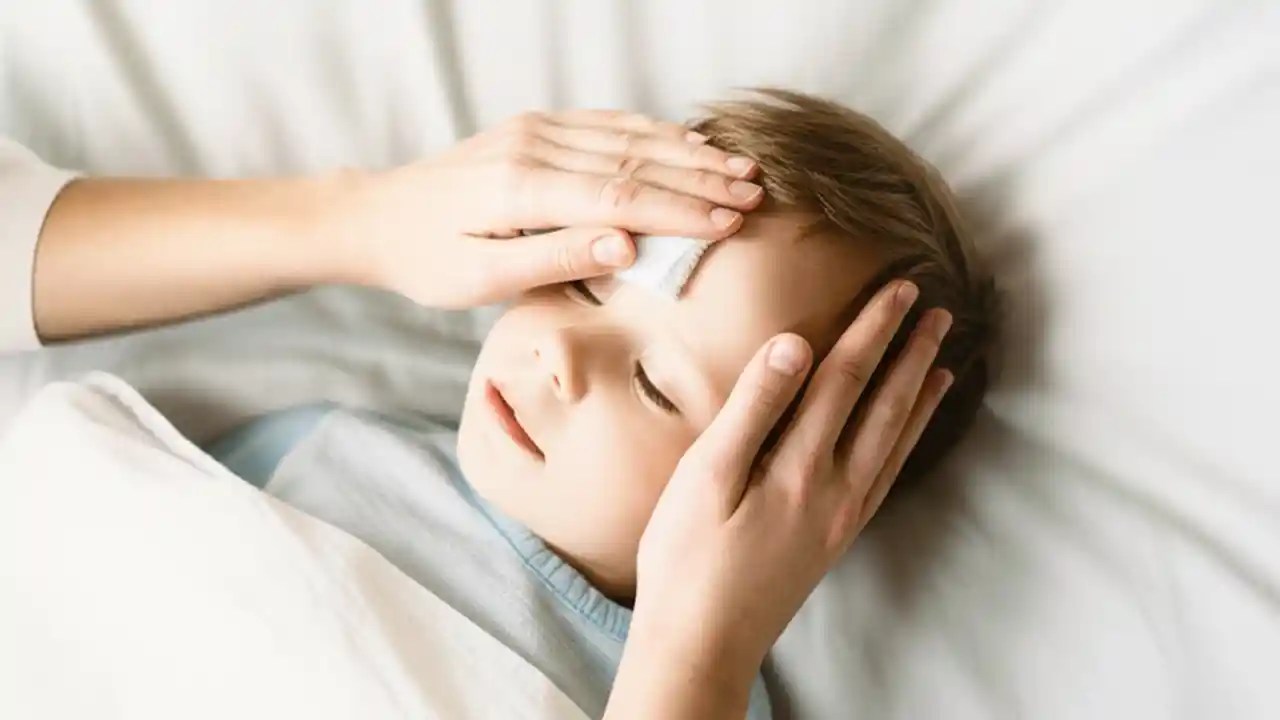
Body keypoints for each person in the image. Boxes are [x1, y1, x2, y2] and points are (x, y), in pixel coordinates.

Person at [1, 93, 988, 718]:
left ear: (791, 509)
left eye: (655, 384)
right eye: (581, 283)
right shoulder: (336, 446)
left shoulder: (693, 686)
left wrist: (701, 647)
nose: (558, 350)